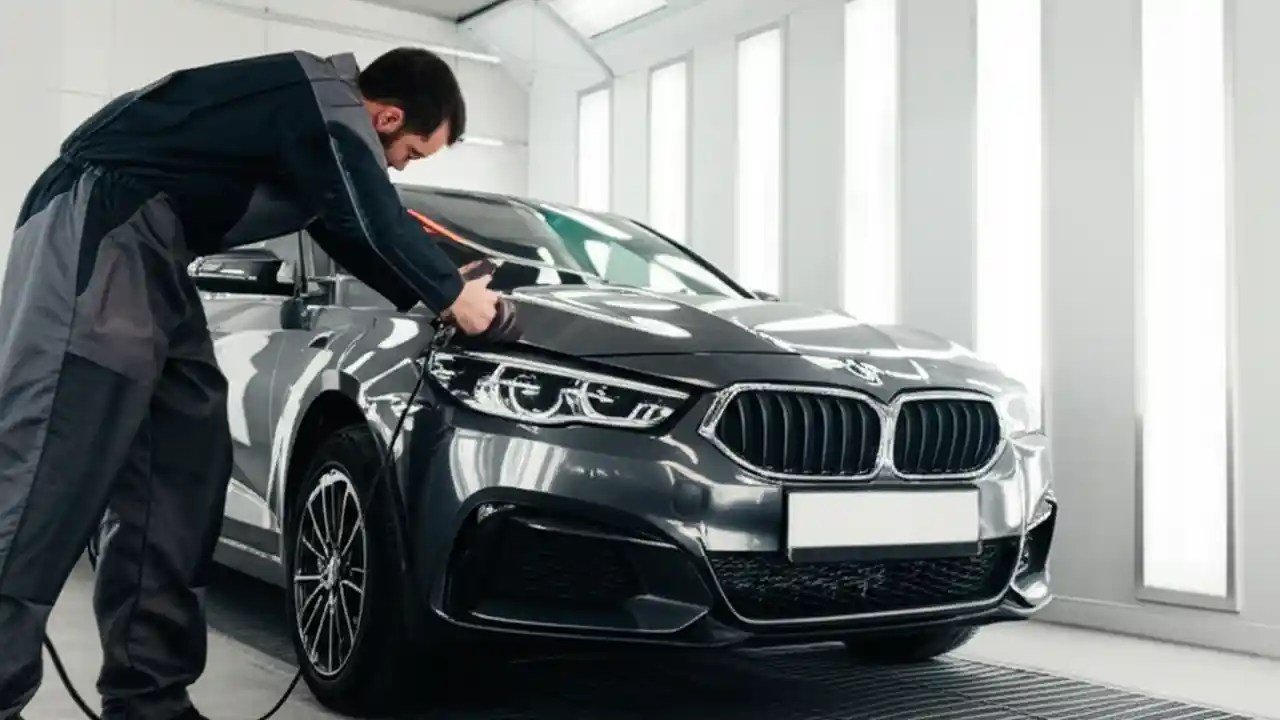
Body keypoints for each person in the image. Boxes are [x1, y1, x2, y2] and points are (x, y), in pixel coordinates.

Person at [0, 47, 499, 720]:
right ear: (386, 117)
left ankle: (149, 699)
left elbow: (352, 228)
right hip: (100, 225)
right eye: (411, 152)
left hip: (159, 255)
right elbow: (369, 211)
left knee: (183, 461)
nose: (402, 167)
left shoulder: (313, 137)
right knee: (46, 470)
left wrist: (439, 285)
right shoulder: (322, 97)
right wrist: (451, 297)